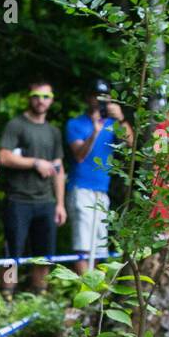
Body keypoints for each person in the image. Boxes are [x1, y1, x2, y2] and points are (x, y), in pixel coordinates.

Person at [0, 81, 66, 294]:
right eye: (37, 95)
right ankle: (6, 295)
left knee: (45, 254)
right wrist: (36, 162)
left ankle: (40, 295)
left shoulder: (53, 131)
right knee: (12, 253)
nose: (41, 100)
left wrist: (60, 204)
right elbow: (4, 156)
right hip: (18, 199)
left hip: (46, 201)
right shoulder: (16, 125)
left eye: (46, 96)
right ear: (29, 97)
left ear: (52, 100)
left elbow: (58, 168)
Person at [65, 78, 133, 273]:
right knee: (83, 245)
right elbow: (79, 155)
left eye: (105, 96)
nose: (100, 100)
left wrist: (121, 119)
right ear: (88, 97)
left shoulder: (113, 123)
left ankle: (96, 295)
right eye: (96, 95)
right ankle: (87, 293)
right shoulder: (75, 124)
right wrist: (94, 133)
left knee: (99, 246)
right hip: (81, 188)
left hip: (102, 190)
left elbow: (132, 144)